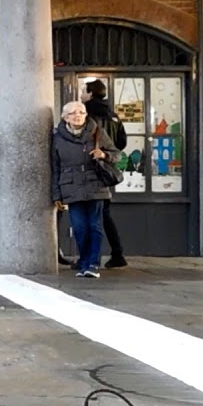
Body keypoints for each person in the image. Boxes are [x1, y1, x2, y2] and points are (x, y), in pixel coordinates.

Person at [51, 101, 121, 279]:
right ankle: (84, 260)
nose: (78, 115)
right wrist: (56, 194)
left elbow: (116, 155)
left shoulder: (97, 132)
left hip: (95, 183)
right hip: (71, 185)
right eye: (73, 113)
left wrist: (103, 155)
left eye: (81, 112)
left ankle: (92, 263)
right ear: (65, 117)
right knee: (79, 227)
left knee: (94, 225)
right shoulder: (57, 137)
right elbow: (55, 167)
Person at [82, 79, 129, 269]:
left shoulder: (87, 115)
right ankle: (116, 253)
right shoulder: (114, 116)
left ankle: (93, 257)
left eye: (83, 91)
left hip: (90, 167)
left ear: (90, 93)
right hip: (106, 169)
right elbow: (121, 143)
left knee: (92, 215)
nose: (81, 94)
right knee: (104, 212)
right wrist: (109, 155)